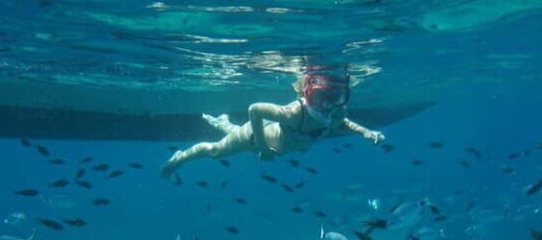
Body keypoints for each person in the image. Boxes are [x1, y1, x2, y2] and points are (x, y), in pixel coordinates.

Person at [160, 69, 385, 178]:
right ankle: (179, 158)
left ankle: (222, 123)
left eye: (335, 97)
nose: (327, 104)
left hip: (272, 142)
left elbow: (340, 123)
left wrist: (365, 132)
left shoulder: (335, 111)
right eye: (320, 96)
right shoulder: (295, 113)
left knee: (234, 134)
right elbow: (255, 109)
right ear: (307, 93)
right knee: (216, 151)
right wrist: (264, 149)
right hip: (256, 138)